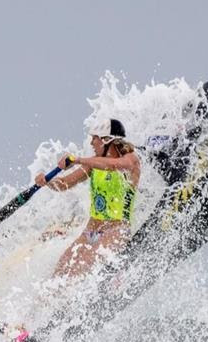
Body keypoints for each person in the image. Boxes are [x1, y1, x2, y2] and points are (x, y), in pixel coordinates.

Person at [34, 118, 141, 278]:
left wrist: (77, 160)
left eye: (95, 138)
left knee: (82, 268)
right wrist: (47, 182)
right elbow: (64, 184)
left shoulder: (131, 160)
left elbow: (112, 165)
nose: (91, 143)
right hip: (91, 232)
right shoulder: (92, 165)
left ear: (107, 140)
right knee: (61, 271)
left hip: (116, 231)